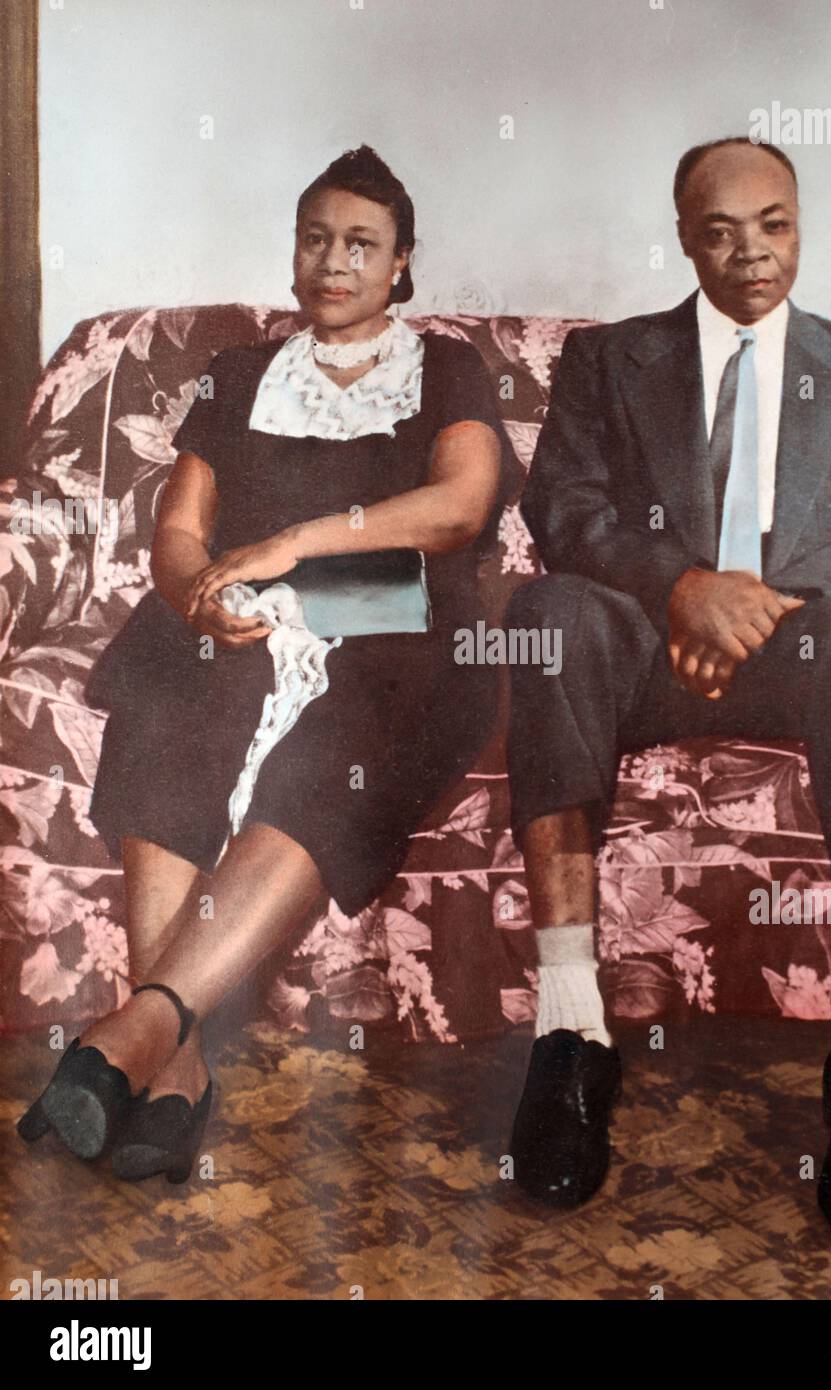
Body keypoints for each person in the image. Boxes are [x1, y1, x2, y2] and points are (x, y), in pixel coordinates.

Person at [17, 145, 523, 1184]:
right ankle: (172, 1071)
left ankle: (131, 1030)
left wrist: (291, 546)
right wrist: (199, 589)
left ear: (400, 263)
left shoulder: (446, 366)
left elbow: (460, 507)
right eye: (315, 239)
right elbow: (180, 530)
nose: (333, 262)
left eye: (360, 244)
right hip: (245, 604)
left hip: (395, 611)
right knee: (169, 692)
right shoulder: (241, 372)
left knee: (336, 743)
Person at [505, 137, 831, 1246]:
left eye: (773, 223)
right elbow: (561, 512)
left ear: (799, 223)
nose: (750, 251)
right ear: (681, 238)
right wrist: (681, 591)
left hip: (808, 650)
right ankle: (571, 1034)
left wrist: (745, 601)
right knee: (545, 614)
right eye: (719, 230)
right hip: (648, 654)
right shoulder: (607, 358)